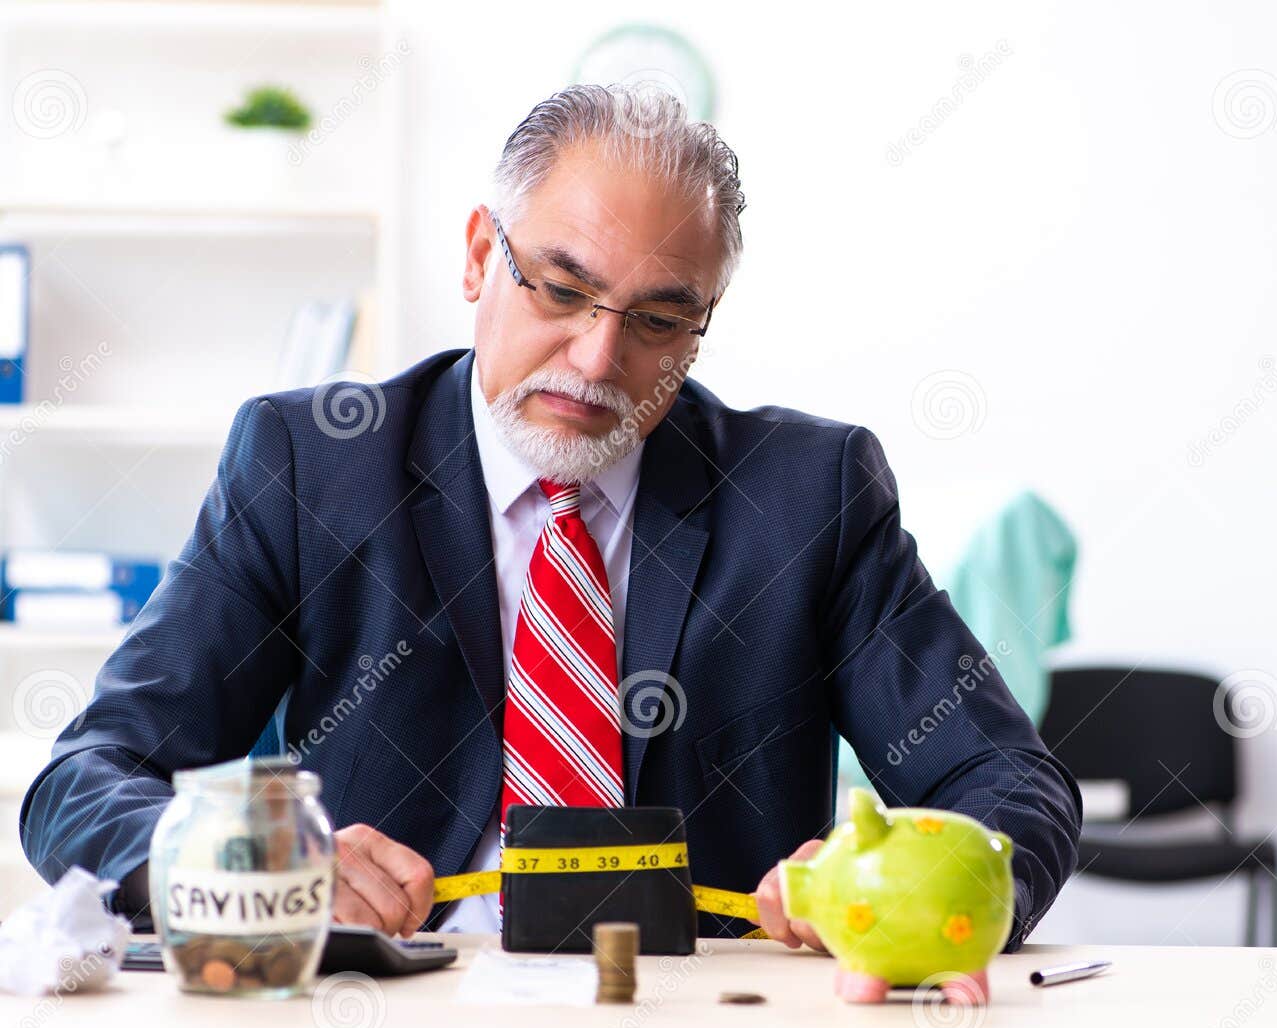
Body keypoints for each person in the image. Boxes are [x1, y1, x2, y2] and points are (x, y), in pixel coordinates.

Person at [20, 84, 1080, 951]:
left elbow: (1007, 783)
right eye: (561, 291)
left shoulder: (810, 493)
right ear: (481, 254)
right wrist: (256, 869)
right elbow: (83, 782)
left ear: (703, 324)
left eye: (659, 319)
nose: (596, 359)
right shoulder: (308, 468)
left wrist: (900, 881)